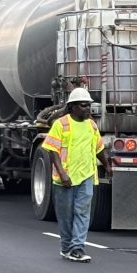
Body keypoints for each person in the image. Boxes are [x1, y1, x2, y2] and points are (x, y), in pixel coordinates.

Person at [41, 86, 107, 262]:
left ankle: (77, 247)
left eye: (89, 105)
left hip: (86, 175)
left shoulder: (91, 125)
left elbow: (99, 148)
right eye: (84, 105)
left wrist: (108, 165)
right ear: (72, 107)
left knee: (82, 212)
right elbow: (52, 150)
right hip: (65, 179)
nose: (88, 109)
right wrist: (62, 173)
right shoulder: (61, 124)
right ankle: (66, 247)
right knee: (65, 215)